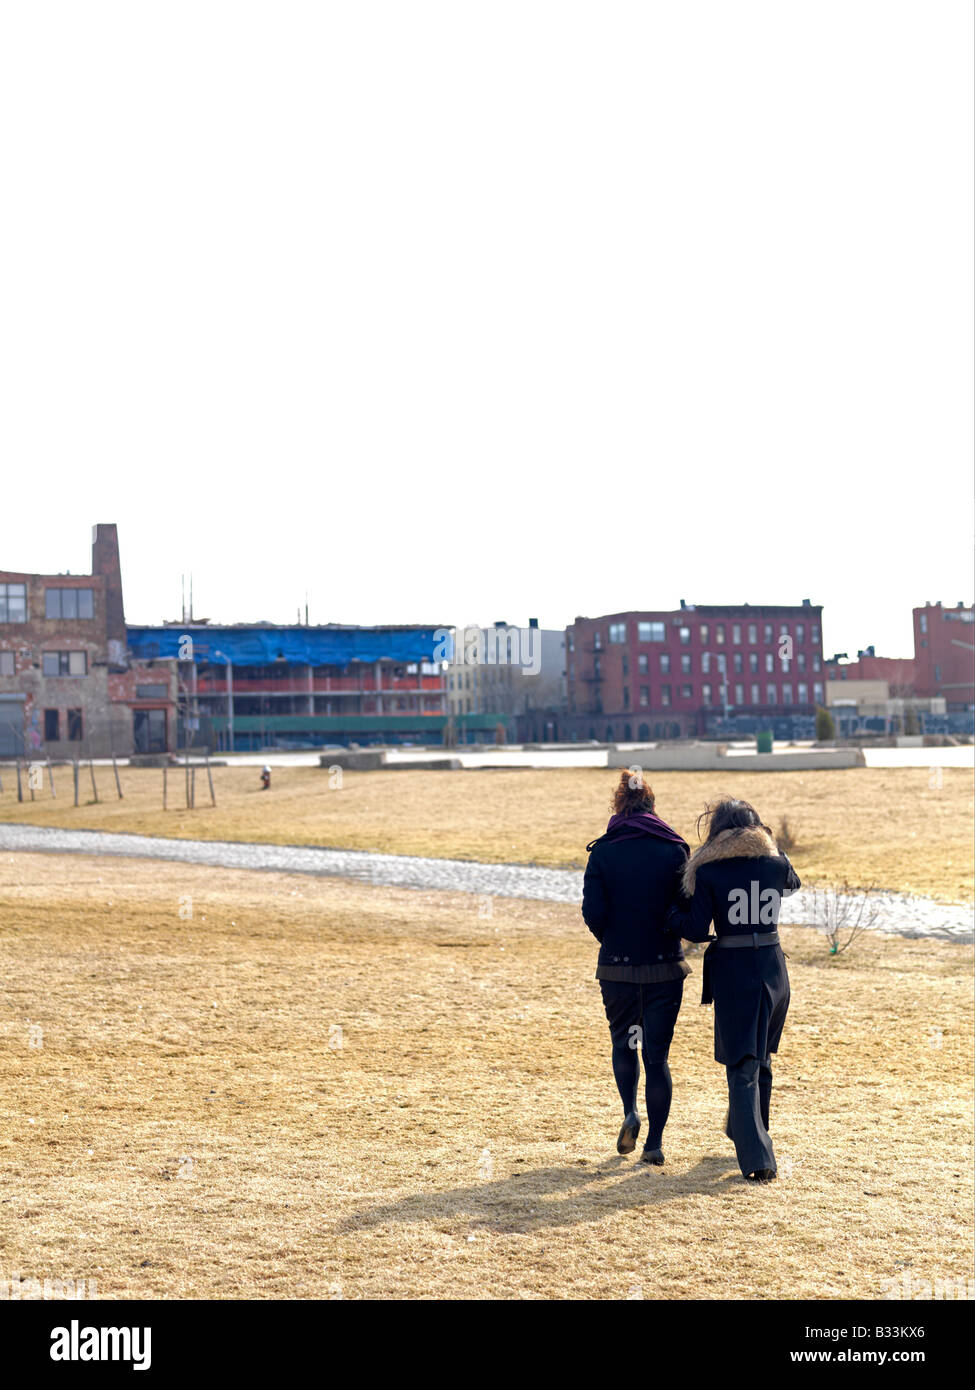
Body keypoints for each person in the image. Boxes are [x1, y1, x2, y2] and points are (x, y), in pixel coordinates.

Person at [668, 798, 800, 1182]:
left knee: (741, 1065)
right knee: (760, 1061)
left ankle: (758, 1159)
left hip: (736, 972)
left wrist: (669, 914)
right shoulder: (777, 864)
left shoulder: (710, 872)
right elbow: (793, 884)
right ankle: (750, 1131)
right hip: (775, 971)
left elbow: (694, 929)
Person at [582, 770, 690, 1164]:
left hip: (617, 970)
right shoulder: (675, 848)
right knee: (657, 1057)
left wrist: (612, 941)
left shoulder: (604, 851)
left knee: (624, 1044)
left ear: (618, 806)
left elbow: (592, 912)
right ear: (652, 805)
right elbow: (686, 908)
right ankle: (655, 1145)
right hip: (665, 968)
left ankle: (630, 1110)